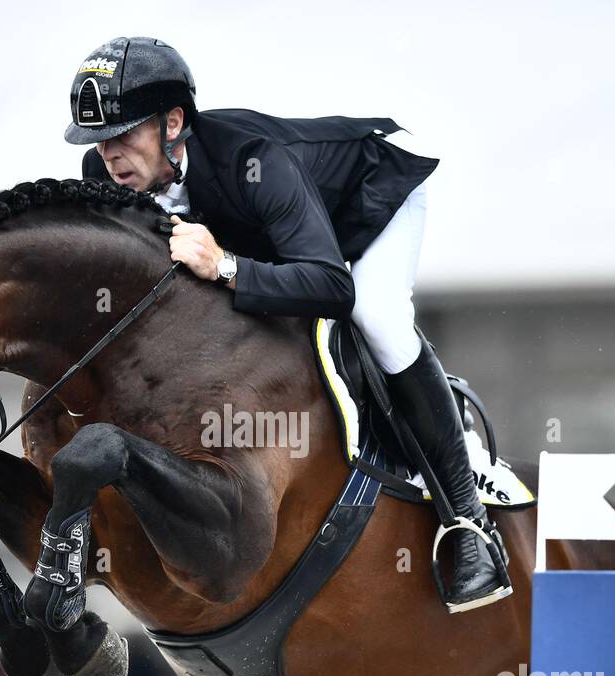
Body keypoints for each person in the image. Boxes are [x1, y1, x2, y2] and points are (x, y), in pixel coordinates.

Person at [63, 37, 509, 611]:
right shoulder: (106, 175)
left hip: (374, 193)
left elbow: (330, 285)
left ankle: (466, 521)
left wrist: (224, 265)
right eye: (100, 142)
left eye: (124, 135)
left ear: (174, 123)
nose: (110, 156)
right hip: (284, 236)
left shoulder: (255, 163)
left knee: (377, 314)